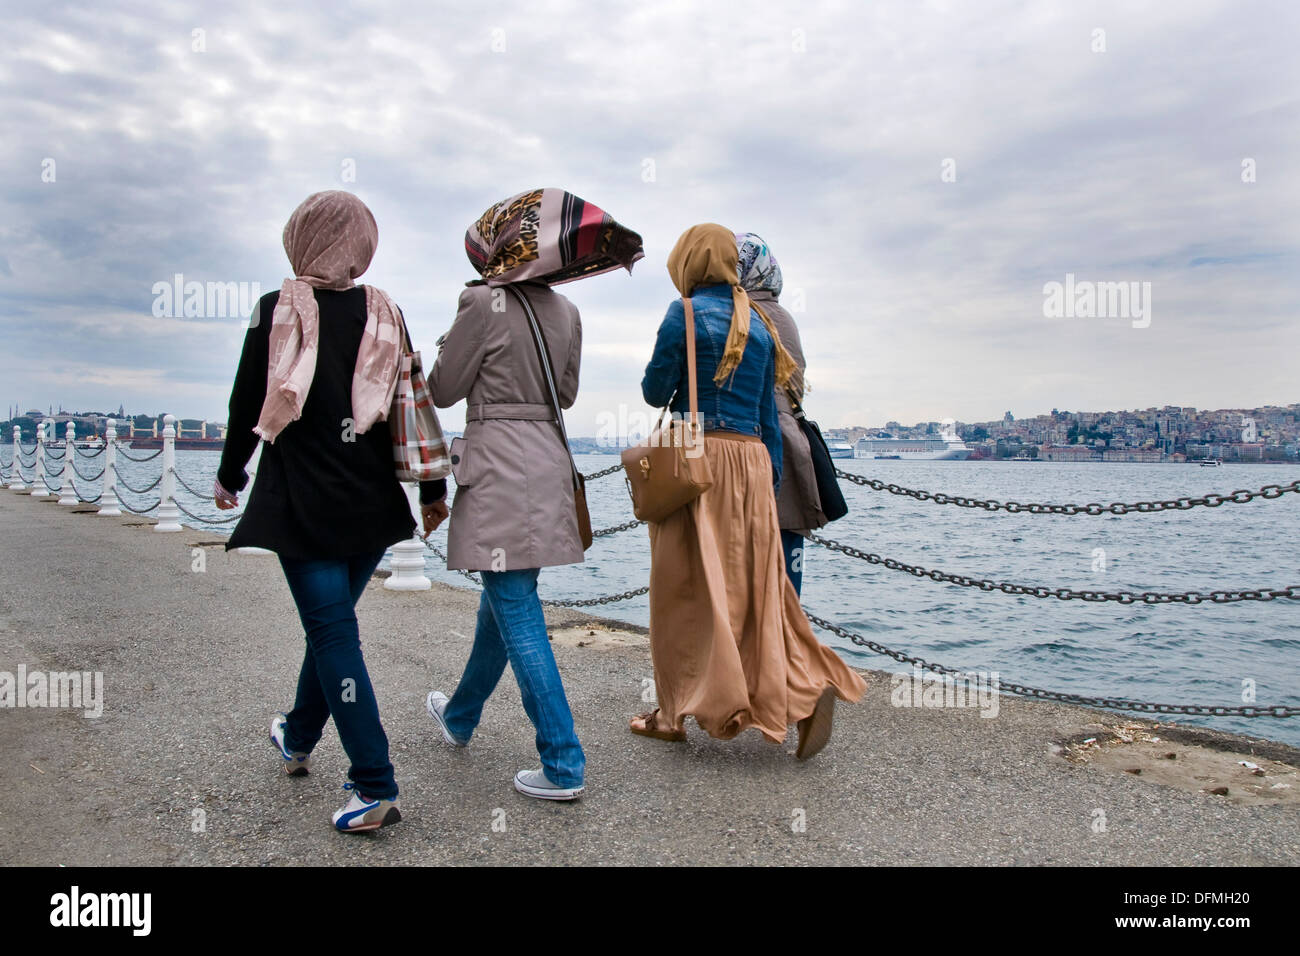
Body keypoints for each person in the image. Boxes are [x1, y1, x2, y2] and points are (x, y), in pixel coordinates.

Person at [215, 190, 448, 833]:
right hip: (372, 505)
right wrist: (431, 492)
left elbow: (247, 403)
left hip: (304, 504)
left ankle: (374, 783)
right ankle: (295, 737)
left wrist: (231, 474)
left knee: (333, 633)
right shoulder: (385, 313)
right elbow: (411, 403)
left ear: (303, 237)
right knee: (332, 627)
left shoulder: (276, 311)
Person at [423, 188, 643, 801]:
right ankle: (461, 716)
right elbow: (565, 395)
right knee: (503, 601)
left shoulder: (481, 301)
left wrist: (449, 343)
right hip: (548, 459)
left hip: (496, 463)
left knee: (515, 607)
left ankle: (563, 762)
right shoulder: (567, 312)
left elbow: (443, 391)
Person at [632, 223, 866, 760]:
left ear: (690, 261)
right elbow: (766, 415)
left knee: (681, 591)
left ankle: (672, 714)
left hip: (700, 459)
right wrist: (768, 483)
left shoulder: (684, 314)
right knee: (758, 592)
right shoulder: (759, 323)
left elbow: (652, 390)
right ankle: (803, 691)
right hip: (754, 465)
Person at [735, 232, 826, 596]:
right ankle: (785, 645)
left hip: (748, 439)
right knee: (787, 568)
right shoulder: (783, 317)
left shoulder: (739, 313)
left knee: (742, 567)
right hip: (790, 444)